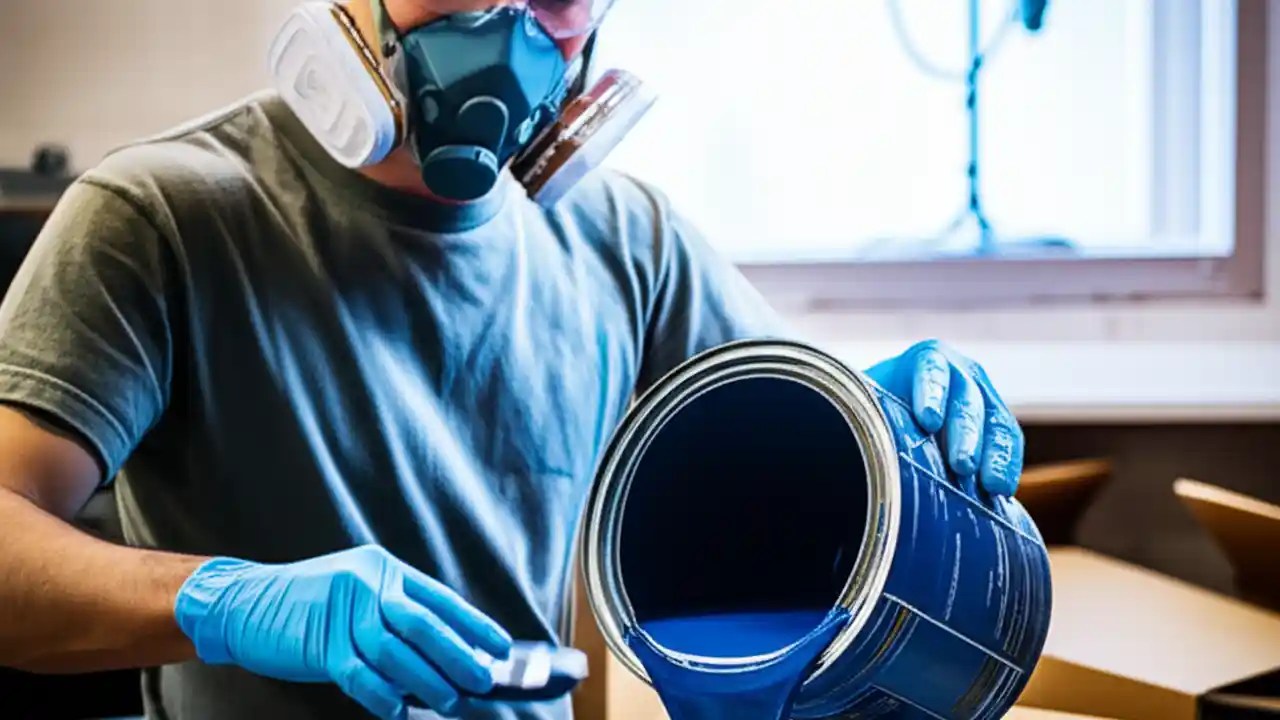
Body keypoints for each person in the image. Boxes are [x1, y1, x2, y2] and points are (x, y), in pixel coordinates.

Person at [0, 0, 1025, 719]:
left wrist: (896, 429)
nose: (505, 25)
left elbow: (818, 456)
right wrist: (225, 604)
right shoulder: (161, 215)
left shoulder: (628, 240)